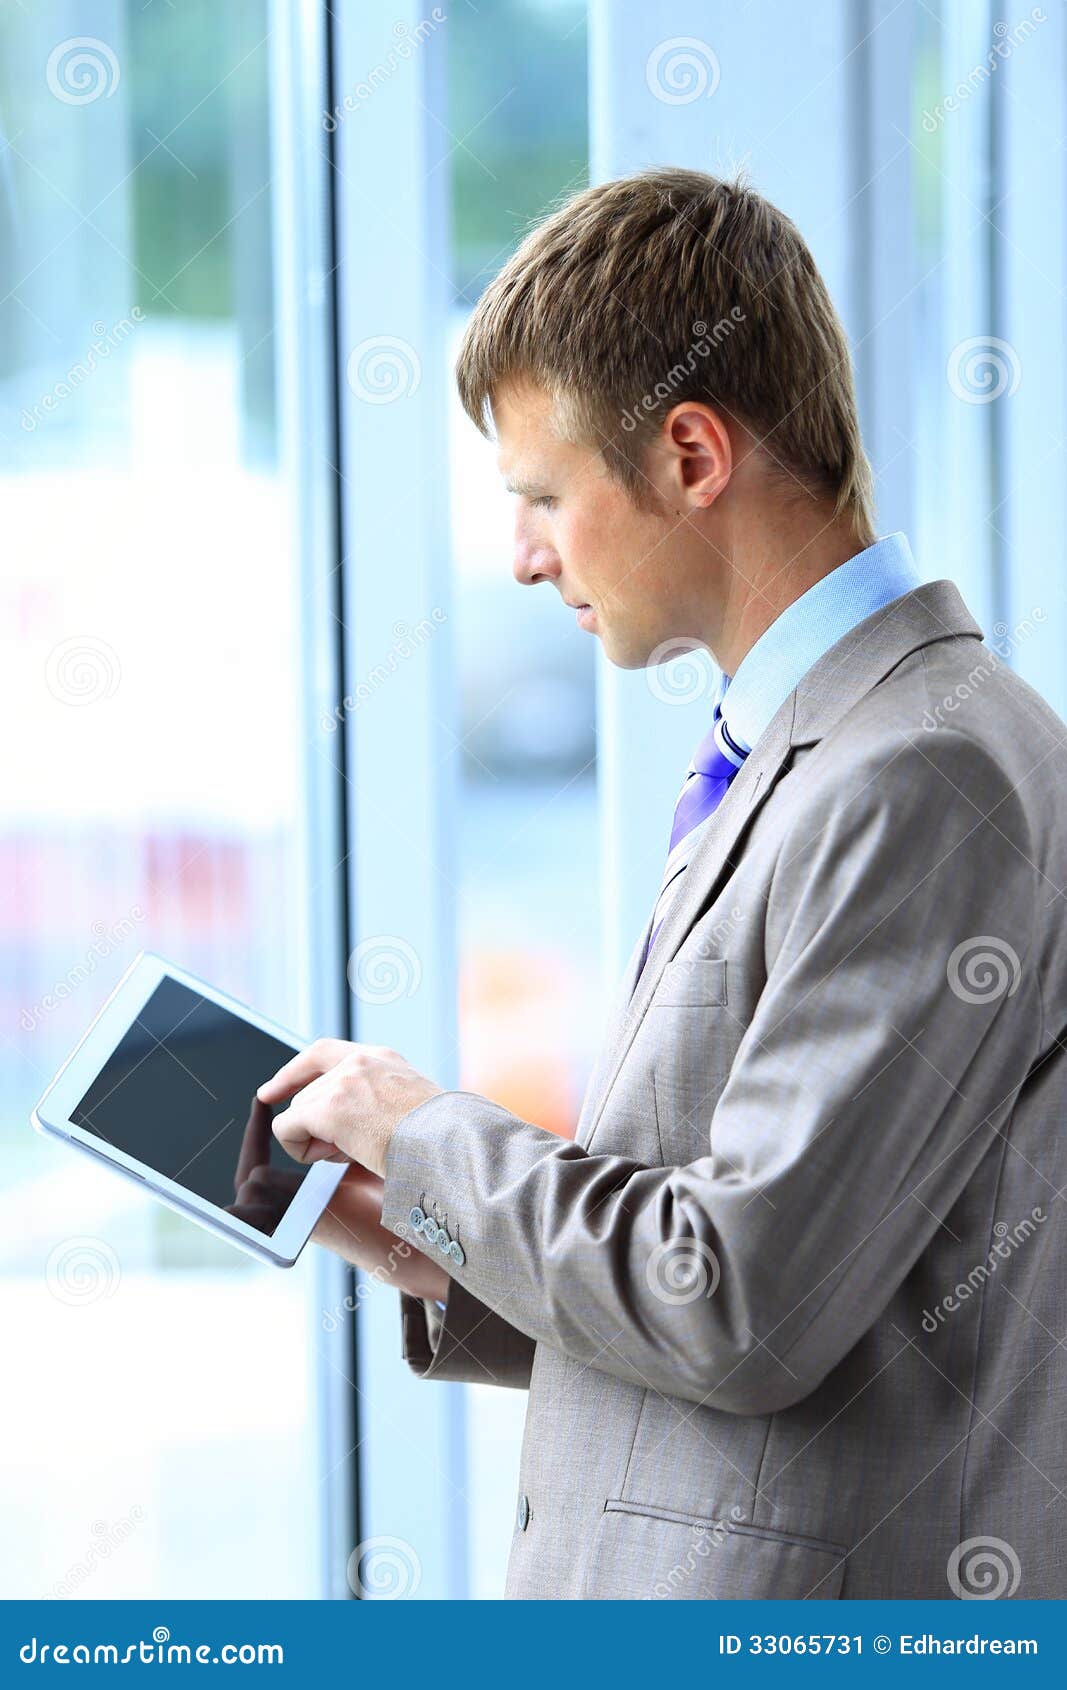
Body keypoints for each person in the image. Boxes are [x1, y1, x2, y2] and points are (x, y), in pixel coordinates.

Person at [258, 168, 1067, 1600]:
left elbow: (741, 1300)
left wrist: (426, 1129)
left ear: (693, 455)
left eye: (541, 495)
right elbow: (808, 1287)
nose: (522, 557)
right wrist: (434, 1237)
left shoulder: (923, 772)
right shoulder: (814, 750)